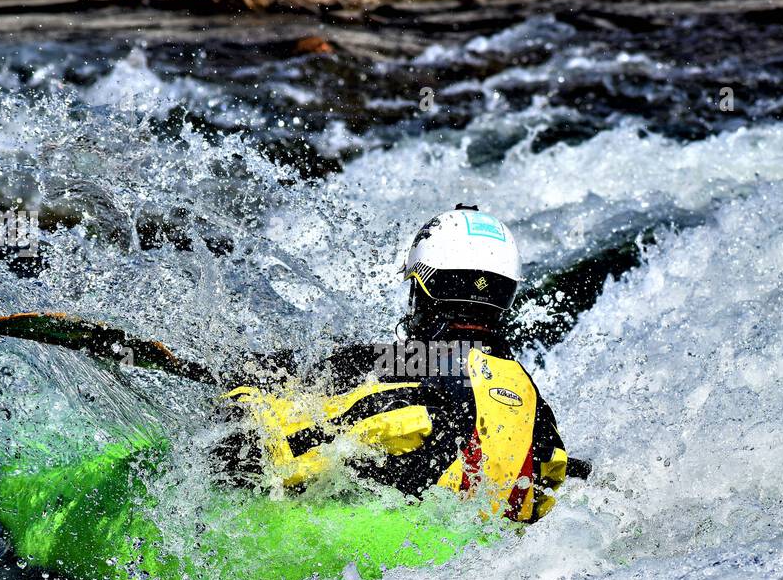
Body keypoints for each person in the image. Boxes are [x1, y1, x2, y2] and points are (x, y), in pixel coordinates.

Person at [222, 205, 572, 522]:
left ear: (422, 291)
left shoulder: (410, 387)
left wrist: (245, 387)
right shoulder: (535, 406)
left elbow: (272, 453)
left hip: (383, 566)